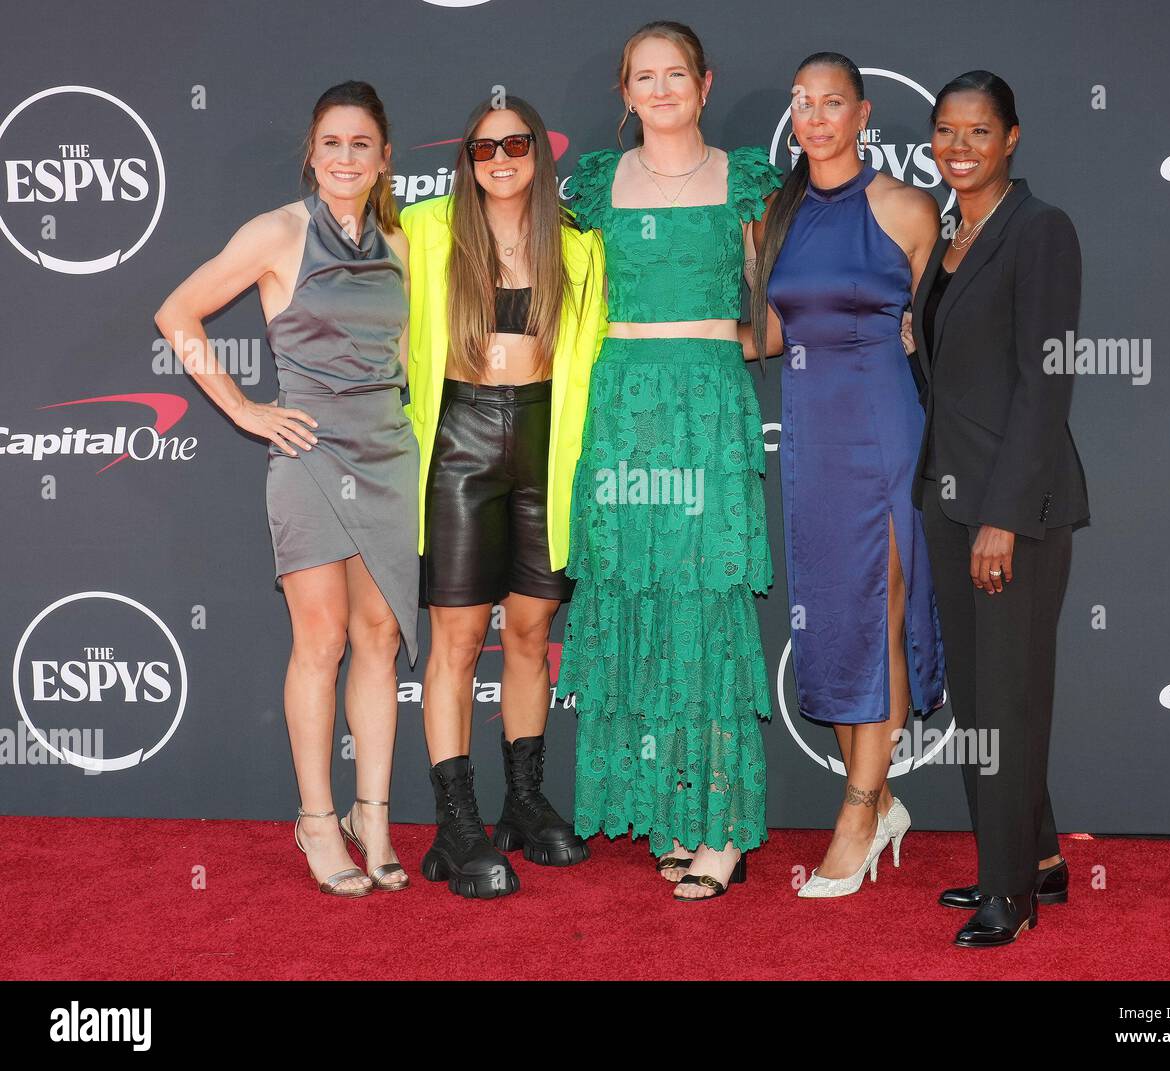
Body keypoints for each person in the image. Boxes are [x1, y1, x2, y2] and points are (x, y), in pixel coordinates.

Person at [155, 81, 417, 897]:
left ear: (383, 159)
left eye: (361, 144)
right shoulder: (278, 231)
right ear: (312, 152)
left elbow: (404, 353)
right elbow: (177, 314)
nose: (346, 158)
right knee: (323, 638)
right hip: (307, 447)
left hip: (388, 449)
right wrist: (245, 411)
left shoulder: (398, 243)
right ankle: (315, 818)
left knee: (379, 638)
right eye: (331, 143)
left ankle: (372, 816)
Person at [556, 20, 781, 902]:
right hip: (621, 414)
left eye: (674, 74)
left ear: (705, 82)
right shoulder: (597, 186)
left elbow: (776, 312)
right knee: (636, 599)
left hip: (710, 409)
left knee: (708, 608)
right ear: (624, 92)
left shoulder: (744, 182)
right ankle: (670, 814)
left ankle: (720, 828)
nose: (659, 89)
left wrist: (719, 353)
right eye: (642, 77)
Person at [745, 52, 946, 898]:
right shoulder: (771, 217)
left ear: (864, 114)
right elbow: (759, 336)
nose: (816, 116)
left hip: (888, 427)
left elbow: (940, 332)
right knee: (834, 612)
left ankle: (859, 811)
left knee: (883, 608)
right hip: (815, 438)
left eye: (833, 102)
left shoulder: (909, 209)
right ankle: (883, 798)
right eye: (804, 102)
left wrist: (910, 331)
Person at [401, 95, 606, 899]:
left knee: (529, 631)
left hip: (546, 446)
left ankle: (523, 800)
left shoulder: (579, 248)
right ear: (467, 160)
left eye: (516, 143)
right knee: (454, 639)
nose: (501, 158)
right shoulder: (423, 231)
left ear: (537, 154)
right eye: (484, 148)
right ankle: (458, 822)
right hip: (458, 441)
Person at [910, 70, 1089, 946]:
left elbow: (1045, 380)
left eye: (979, 132)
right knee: (983, 700)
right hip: (948, 496)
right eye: (946, 130)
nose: (960, 147)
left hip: (1014, 507)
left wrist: (1003, 515)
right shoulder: (951, 238)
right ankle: (1039, 858)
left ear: (1011, 137)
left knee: (1008, 700)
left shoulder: (1039, 230)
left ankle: (1008, 892)